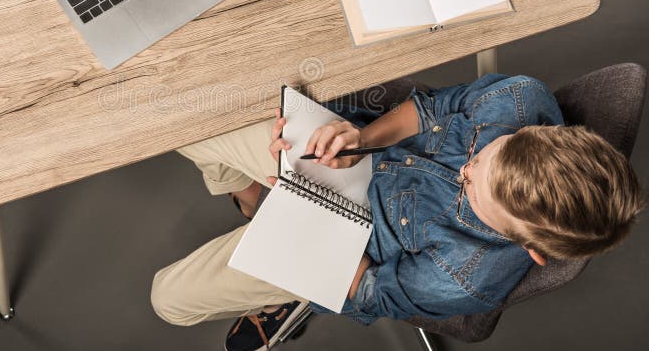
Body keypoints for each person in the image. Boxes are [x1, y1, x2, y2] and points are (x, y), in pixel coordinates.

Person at [150, 74, 646, 351]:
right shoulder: (521, 100)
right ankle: (253, 198)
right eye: (486, 151)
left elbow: (368, 290)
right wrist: (359, 139)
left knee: (167, 300)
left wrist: (305, 212)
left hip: (347, 243)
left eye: (475, 191)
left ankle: (289, 291)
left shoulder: (468, 277)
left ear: (532, 250)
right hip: (350, 152)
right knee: (183, 120)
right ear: (544, 132)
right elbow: (429, 112)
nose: (465, 169)